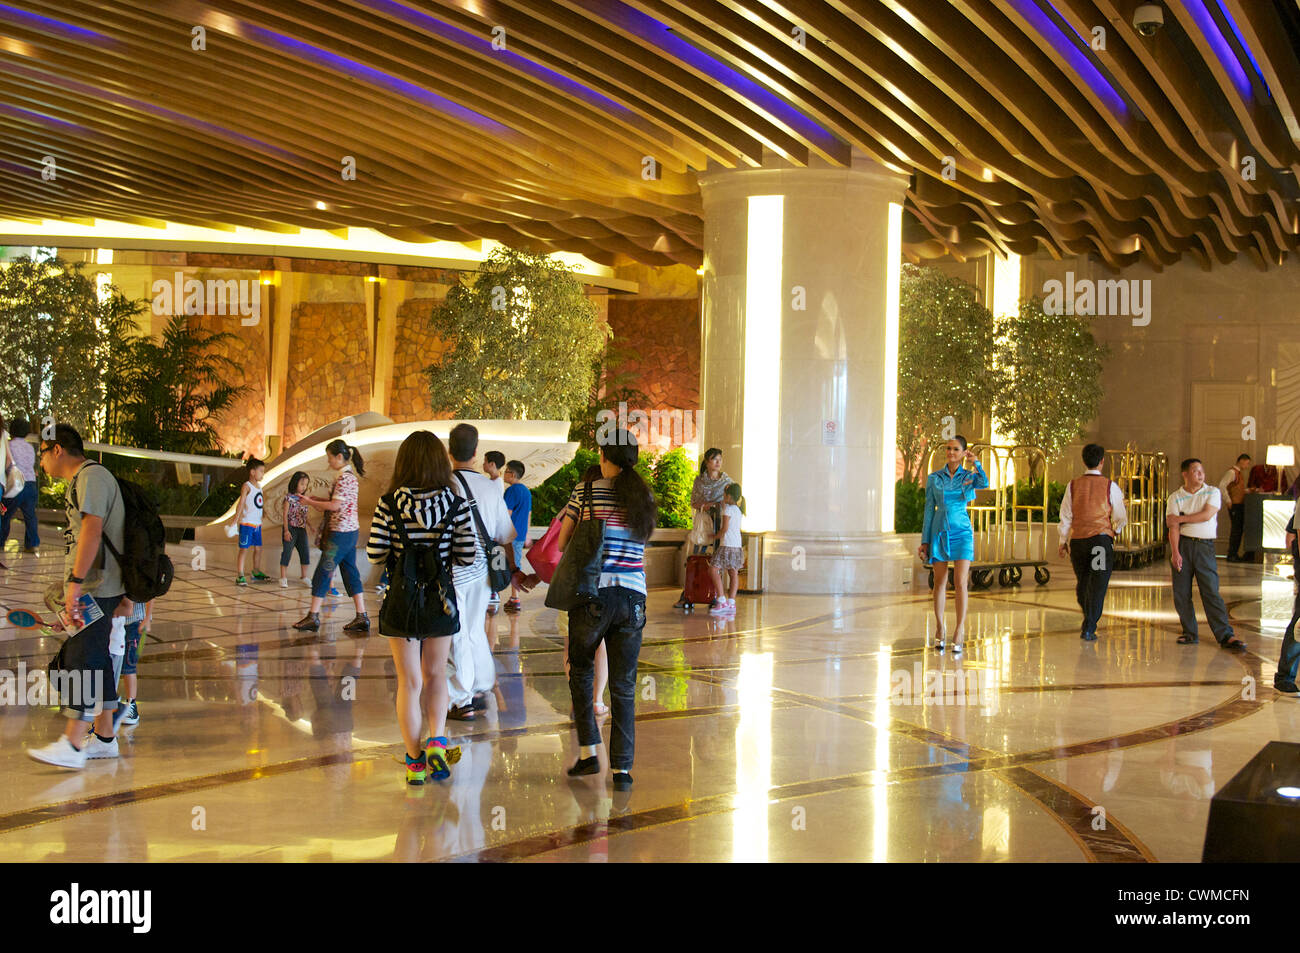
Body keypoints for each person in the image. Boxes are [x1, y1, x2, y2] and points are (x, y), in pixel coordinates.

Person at [366, 430, 478, 784]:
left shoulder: (388, 503)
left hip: (401, 600)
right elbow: (467, 555)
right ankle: (437, 741)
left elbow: (374, 553)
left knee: (409, 681)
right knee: (435, 675)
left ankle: (414, 764)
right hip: (440, 601)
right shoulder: (457, 504)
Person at [560, 427, 656, 791]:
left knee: (582, 672)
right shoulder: (643, 496)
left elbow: (565, 540)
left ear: (604, 455)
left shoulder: (587, 491)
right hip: (632, 599)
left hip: (593, 596)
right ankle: (622, 771)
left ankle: (588, 753)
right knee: (624, 686)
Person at [26, 424, 127, 769]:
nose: (40, 463)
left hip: (96, 587)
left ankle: (71, 743)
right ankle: (104, 739)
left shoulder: (91, 476)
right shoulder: (84, 479)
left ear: (57, 450)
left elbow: (92, 529)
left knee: (83, 656)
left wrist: (75, 583)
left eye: (41, 454)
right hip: (96, 587)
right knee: (94, 656)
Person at [447, 423, 523, 720]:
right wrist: (514, 570)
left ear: (449, 451)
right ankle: (480, 685)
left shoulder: (444, 485)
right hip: (482, 572)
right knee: (475, 629)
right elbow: (506, 534)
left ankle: (462, 697)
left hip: (453, 572)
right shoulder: (492, 488)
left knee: (458, 634)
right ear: (477, 452)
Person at [918, 436, 988, 654]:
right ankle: (940, 627)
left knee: (960, 582)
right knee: (939, 582)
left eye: (955, 449)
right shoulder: (934, 478)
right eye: (948, 448)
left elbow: (984, 482)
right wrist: (925, 541)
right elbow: (929, 510)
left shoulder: (969, 476)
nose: (950, 452)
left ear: (963, 452)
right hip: (939, 531)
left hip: (963, 532)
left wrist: (976, 463)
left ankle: (960, 629)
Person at [1167, 458, 1246, 650]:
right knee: (1181, 593)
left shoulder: (1213, 492)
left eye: (1202, 471)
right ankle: (1189, 633)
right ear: (1185, 474)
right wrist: (1175, 552)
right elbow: (1173, 526)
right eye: (1195, 471)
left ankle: (1225, 635)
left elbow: (1207, 515)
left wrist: (1181, 518)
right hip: (1183, 546)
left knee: (1211, 591)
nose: (1200, 474)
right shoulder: (1174, 497)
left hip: (1205, 548)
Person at [295, 440, 369, 633]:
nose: (328, 461)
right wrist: (317, 500)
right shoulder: (348, 476)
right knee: (349, 571)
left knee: (324, 570)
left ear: (339, 457)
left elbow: (335, 507)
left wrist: (310, 502)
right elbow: (337, 503)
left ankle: (313, 616)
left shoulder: (345, 478)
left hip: (340, 534)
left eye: (330, 457)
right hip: (349, 532)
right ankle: (362, 616)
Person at [1058, 443, 1128, 641]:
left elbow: (1066, 515)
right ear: (1102, 461)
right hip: (1100, 542)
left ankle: (1088, 620)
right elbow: (1121, 515)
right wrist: (1116, 530)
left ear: (1083, 461)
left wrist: (1063, 540)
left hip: (1078, 543)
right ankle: (1090, 624)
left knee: (1084, 581)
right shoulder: (1109, 485)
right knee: (1097, 583)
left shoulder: (1072, 485)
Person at [674, 448, 732, 609]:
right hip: (704, 525)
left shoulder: (727, 482)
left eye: (720, 459)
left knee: (716, 561)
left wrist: (718, 505)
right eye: (714, 459)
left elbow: (734, 501)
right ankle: (689, 594)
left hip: (720, 524)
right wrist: (705, 505)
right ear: (707, 462)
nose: (718, 462)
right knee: (697, 557)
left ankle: (714, 595)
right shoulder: (699, 481)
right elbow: (693, 502)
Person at [0, 417, 39, 554]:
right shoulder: (30, 447)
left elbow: (7, 464)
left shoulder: (9, 445)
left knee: (5, 514)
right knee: (30, 516)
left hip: (17, 485)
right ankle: (32, 544)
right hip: (31, 484)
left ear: (12, 430)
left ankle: (1, 542)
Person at [708, 483, 745, 616]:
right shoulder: (738, 510)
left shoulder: (728, 509)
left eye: (724, 494)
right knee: (733, 573)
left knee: (713, 569)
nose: (723, 497)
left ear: (729, 496)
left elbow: (724, 529)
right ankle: (731, 603)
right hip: (736, 545)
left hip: (727, 545)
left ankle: (721, 600)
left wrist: (714, 536)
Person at [232, 458, 268, 585]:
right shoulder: (246, 486)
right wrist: (235, 521)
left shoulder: (259, 487)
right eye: (261, 471)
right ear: (252, 472)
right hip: (247, 524)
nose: (263, 474)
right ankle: (240, 575)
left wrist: (262, 512)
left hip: (257, 524)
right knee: (244, 549)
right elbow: (241, 503)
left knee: (258, 548)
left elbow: (259, 503)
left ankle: (256, 571)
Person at [502, 460, 532, 613]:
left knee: (498, 564)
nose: (504, 473)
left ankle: (496, 595)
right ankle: (514, 598)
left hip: (508, 536)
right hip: (519, 535)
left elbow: (506, 514)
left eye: (506, 471)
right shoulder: (526, 491)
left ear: (512, 474)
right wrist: (526, 533)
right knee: (516, 565)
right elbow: (528, 514)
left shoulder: (511, 491)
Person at [279, 471, 314, 588]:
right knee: (287, 552)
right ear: (295, 483)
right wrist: (286, 530)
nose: (304, 487)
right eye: (302, 484)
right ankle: (283, 577)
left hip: (301, 529)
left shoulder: (304, 499)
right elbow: (284, 515)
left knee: (305, 552)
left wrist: (309, 525)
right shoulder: (288, 498)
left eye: (306, 484)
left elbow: (303, 515)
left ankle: (304, 577)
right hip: (290, 528)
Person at [1217, 454, 1254, 562]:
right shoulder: (1232, 472)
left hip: (1238, 504)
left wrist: (1248, 490)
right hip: (1235, 505)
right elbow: (1222, 486)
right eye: (1247, 463)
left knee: (1238, 529)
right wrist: (1228, 500)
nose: (1247, 466)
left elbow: (1237, 489)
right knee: (1236, 530)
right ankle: (1232, 554)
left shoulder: (1238, 474)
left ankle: (1234, 553)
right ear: (1241, 461)